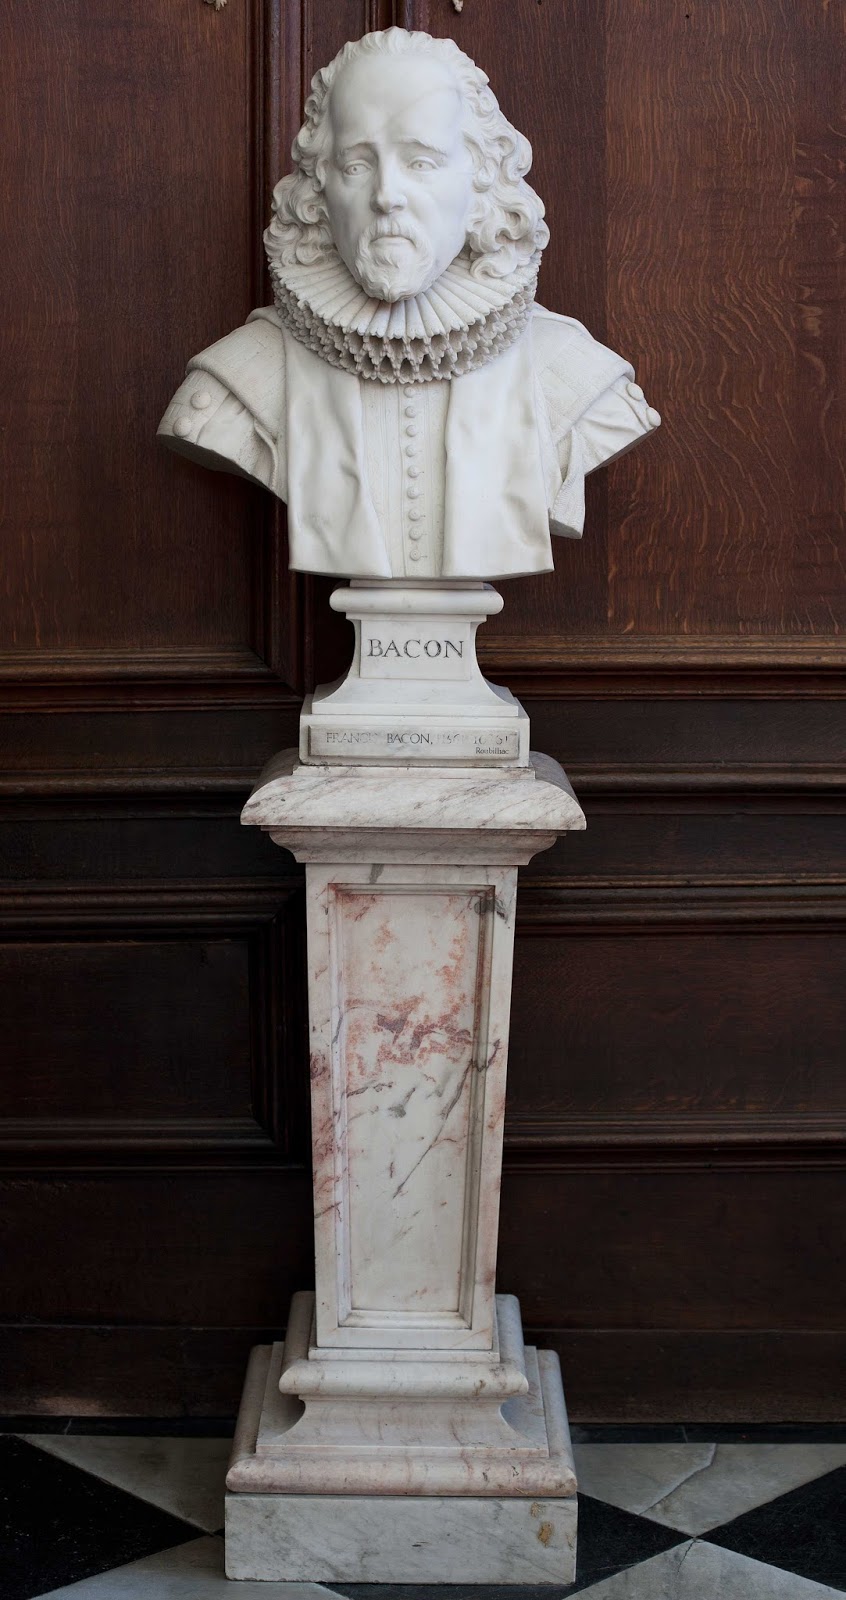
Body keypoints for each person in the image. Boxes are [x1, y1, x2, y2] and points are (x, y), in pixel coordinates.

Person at [158, 27, 660, 580]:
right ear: (319, 191)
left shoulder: (576, 379)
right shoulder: (236, 385)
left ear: (480, 183)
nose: (386, 195)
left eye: (421, 162)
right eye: (357, 165)